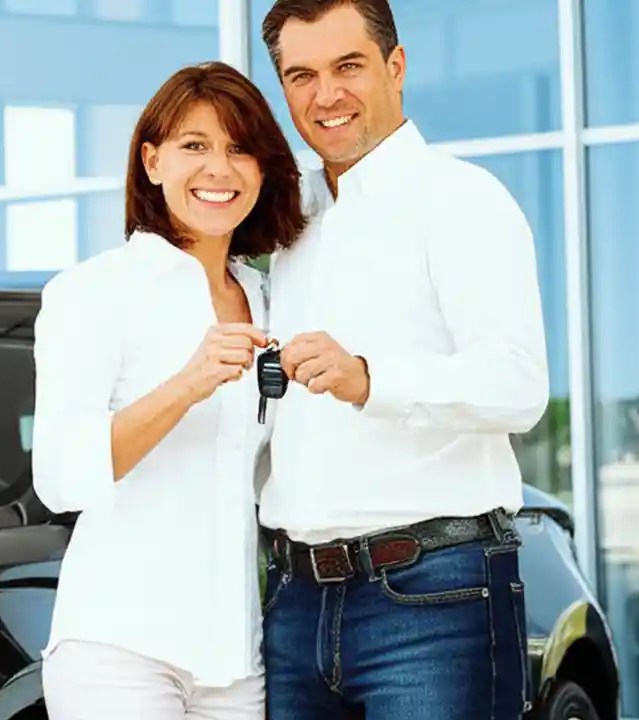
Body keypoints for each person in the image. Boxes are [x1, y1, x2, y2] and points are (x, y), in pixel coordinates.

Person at [254, 1, 549, 719]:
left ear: (396, 66)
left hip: (432, 597)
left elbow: (518, 385)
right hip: (295, 603)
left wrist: (371, 378)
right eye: (301, 75)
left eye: (347, 67)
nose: (325, 95)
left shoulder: (460, 199)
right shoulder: (291, 226)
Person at [31, 61, 305, 719]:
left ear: (263, 170)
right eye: (194, 146)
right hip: (118, 649)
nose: (220, 168)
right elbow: (62, 478)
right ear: (152, 162)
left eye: (241, 149)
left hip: (236, 661)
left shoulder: (275, 298)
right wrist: (185, 385)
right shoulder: (92, 293)